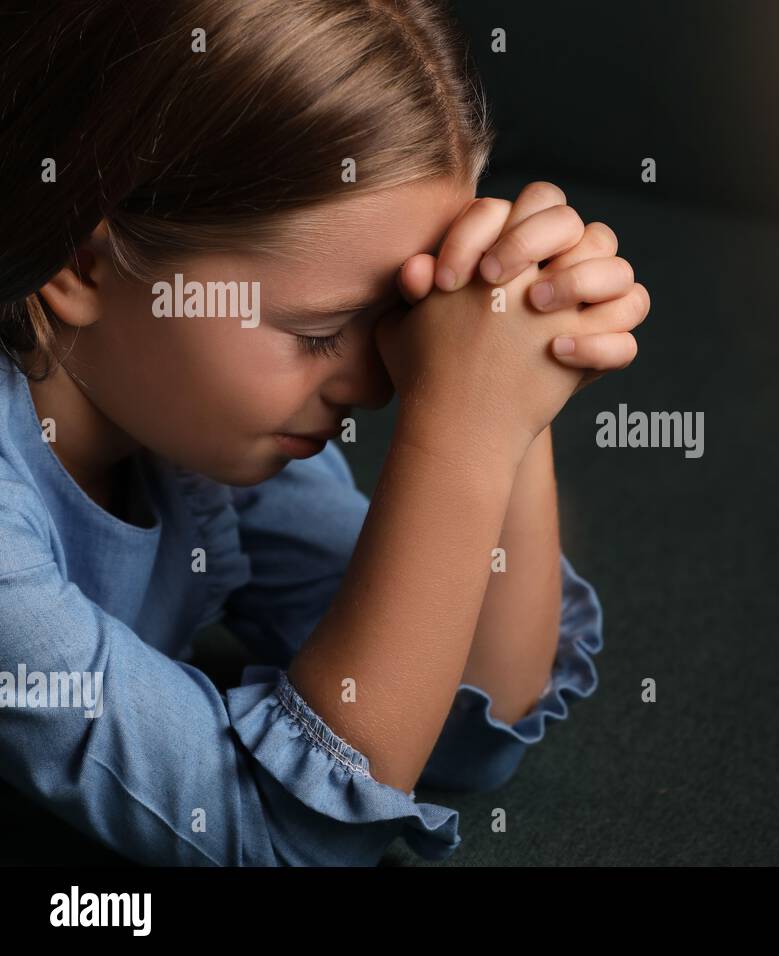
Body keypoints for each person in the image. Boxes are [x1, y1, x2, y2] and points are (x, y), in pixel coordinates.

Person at [0, 0, 648, 865]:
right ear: (80, 266)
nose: (381, 384)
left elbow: (460, 716)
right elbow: (279, 831)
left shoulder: (197, 434)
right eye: (315, 333)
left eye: (400, 314)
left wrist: (518, 335)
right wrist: (464, 428)